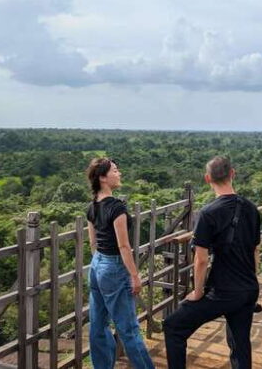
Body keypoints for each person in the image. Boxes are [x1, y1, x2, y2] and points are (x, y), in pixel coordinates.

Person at [163, 156, 262, 369]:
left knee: (173, 326)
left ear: (208, 178)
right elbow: (256, 250)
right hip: (248, 289)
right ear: (232, 174)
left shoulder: (208, 213)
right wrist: (253, 284)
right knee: (240, 344)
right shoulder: (252, 209)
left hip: (223, 291)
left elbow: (201, 259)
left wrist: (198, 292)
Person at [85, 158, 154, 369]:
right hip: (114, 267)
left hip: (97, 265)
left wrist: (101, 261)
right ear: (103, 178)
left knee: (98, 325)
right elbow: (124, 246)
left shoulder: (92, 206)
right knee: (129, 329)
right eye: (115, 170)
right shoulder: (117, 208)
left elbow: (93, 243)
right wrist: (134, 275)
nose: (119, 173)